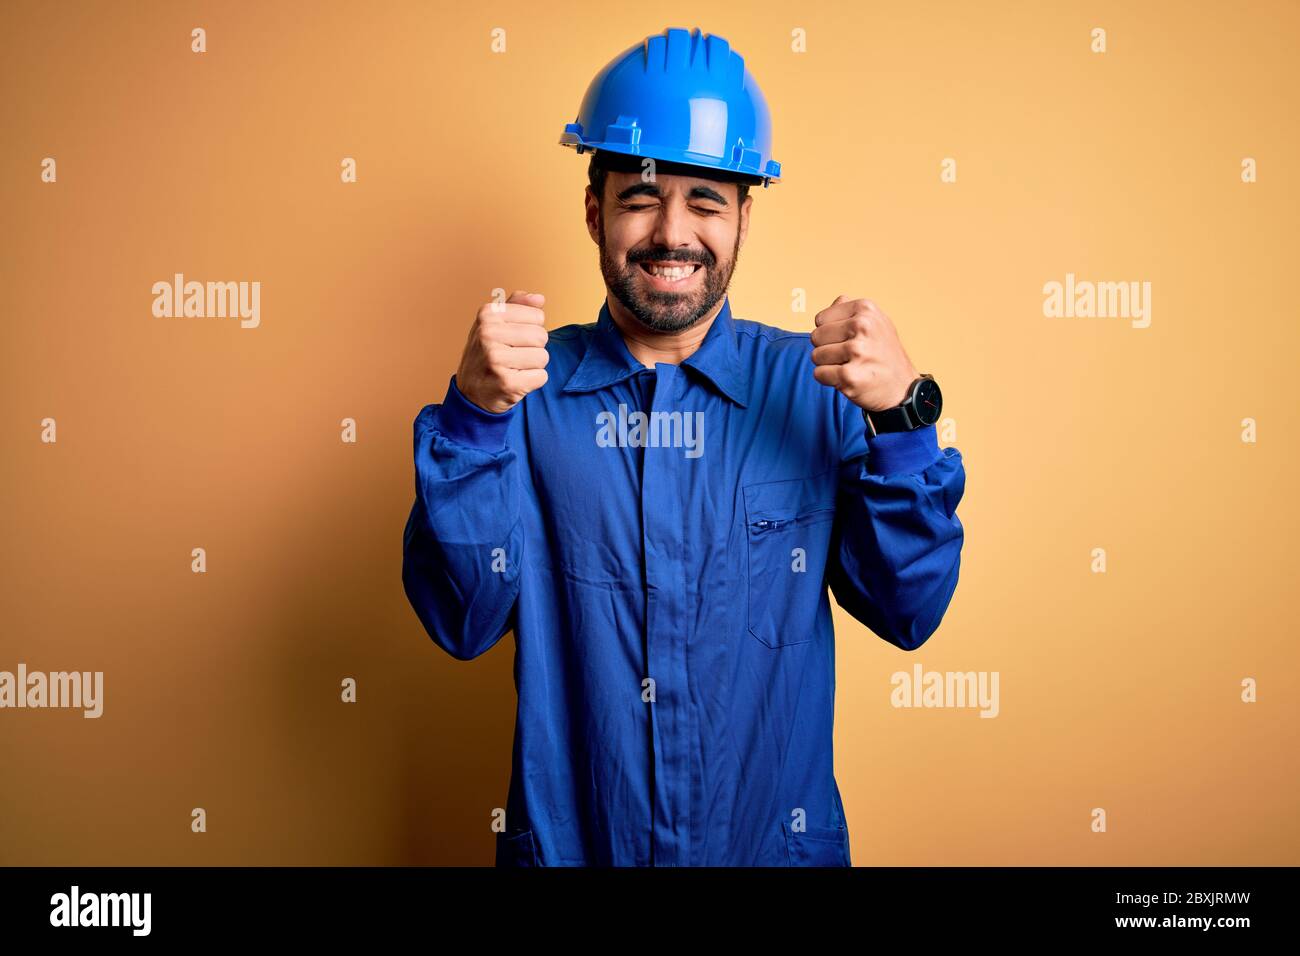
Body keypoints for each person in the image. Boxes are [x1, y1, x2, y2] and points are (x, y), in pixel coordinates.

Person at [401, 26, 967, 866]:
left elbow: (908, 610)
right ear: (594, 210)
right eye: (640, 196)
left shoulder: (819, 393)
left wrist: (903, 426)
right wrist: (476, 419)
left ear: (743, 218)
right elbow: (461, 619)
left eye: (706, 200)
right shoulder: (522, 395)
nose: (673, 232)